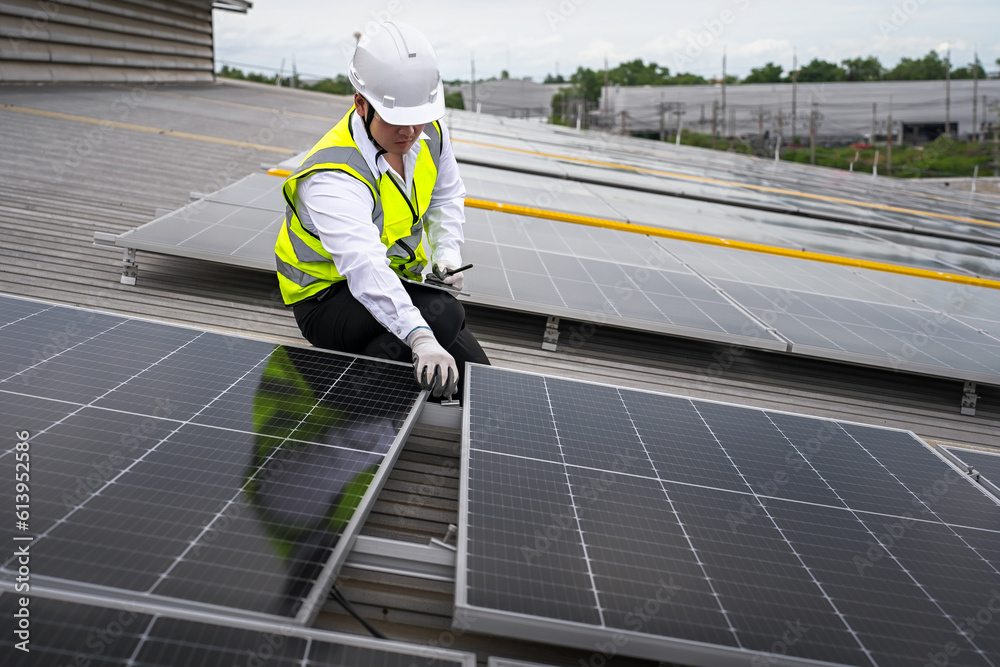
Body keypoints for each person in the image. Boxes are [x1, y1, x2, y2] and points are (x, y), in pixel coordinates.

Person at [274, 20, 489, 399]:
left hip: (393, 279)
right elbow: (365, 266)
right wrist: (420, 337)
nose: (409, 132)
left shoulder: (430, 132)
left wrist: (447, 254)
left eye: (416, 117)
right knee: (443, 318)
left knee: (478, 374)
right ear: (360, 103)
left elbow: (447, 195)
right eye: (396, 120)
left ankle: (379, 369)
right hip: (325, 299)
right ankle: (356, 393)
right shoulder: (333, 175)